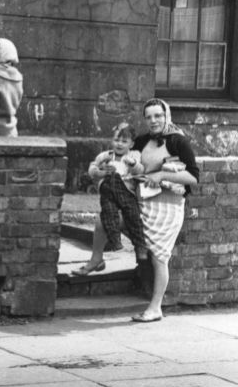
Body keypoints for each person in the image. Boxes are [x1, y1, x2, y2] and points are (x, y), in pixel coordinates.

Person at [77, 98, 198, 323]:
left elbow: (193, 177)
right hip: (143, 203)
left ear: (166, 115)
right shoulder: (142, 140)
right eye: (149, 117)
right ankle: (96, 259)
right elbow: (121, 156)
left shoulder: (178, 141)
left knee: (159, 257)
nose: (153, 121)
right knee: (104, 219)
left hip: (168, 207)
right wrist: (99, 168)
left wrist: (161, 175)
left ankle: (155, 307)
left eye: (158, 116)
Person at [72, 122, 146, 276]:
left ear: (131, 143)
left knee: (132, 216)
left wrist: (132, 164)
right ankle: (114, 243)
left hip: (126, 196)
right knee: (107, 213)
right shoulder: (105, 156)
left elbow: (140, 170)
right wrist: (100, 172)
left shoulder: (133, 156)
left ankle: (140, 246)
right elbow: (92, 169)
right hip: (110, 196)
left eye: (124, 141)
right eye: (117, 140)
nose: (119, 144)